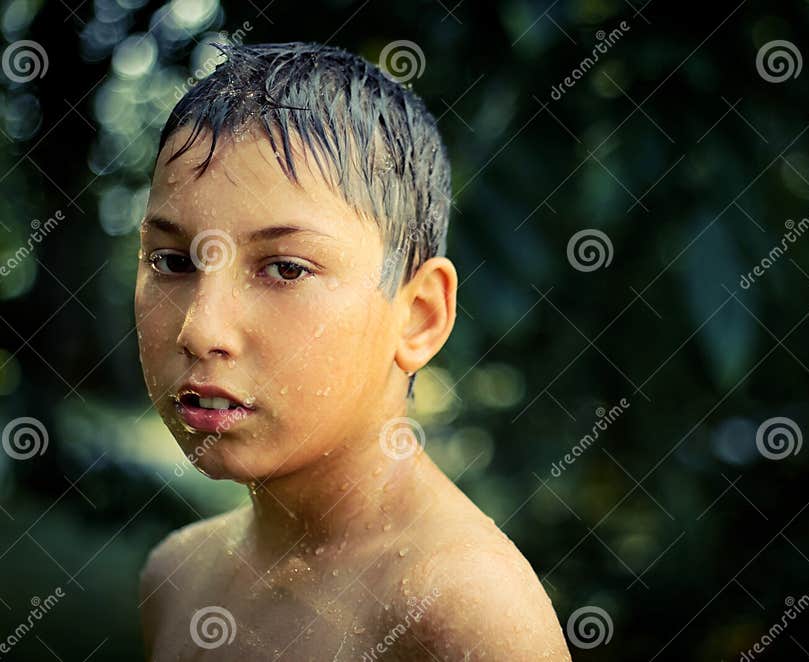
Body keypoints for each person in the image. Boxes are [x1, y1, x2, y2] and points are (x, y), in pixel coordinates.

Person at [135, 41, 571, 660]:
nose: (200, 330)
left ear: (418, 318)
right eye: (172, 261)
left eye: (286, 269)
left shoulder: (464, 610)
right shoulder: (176, 576)